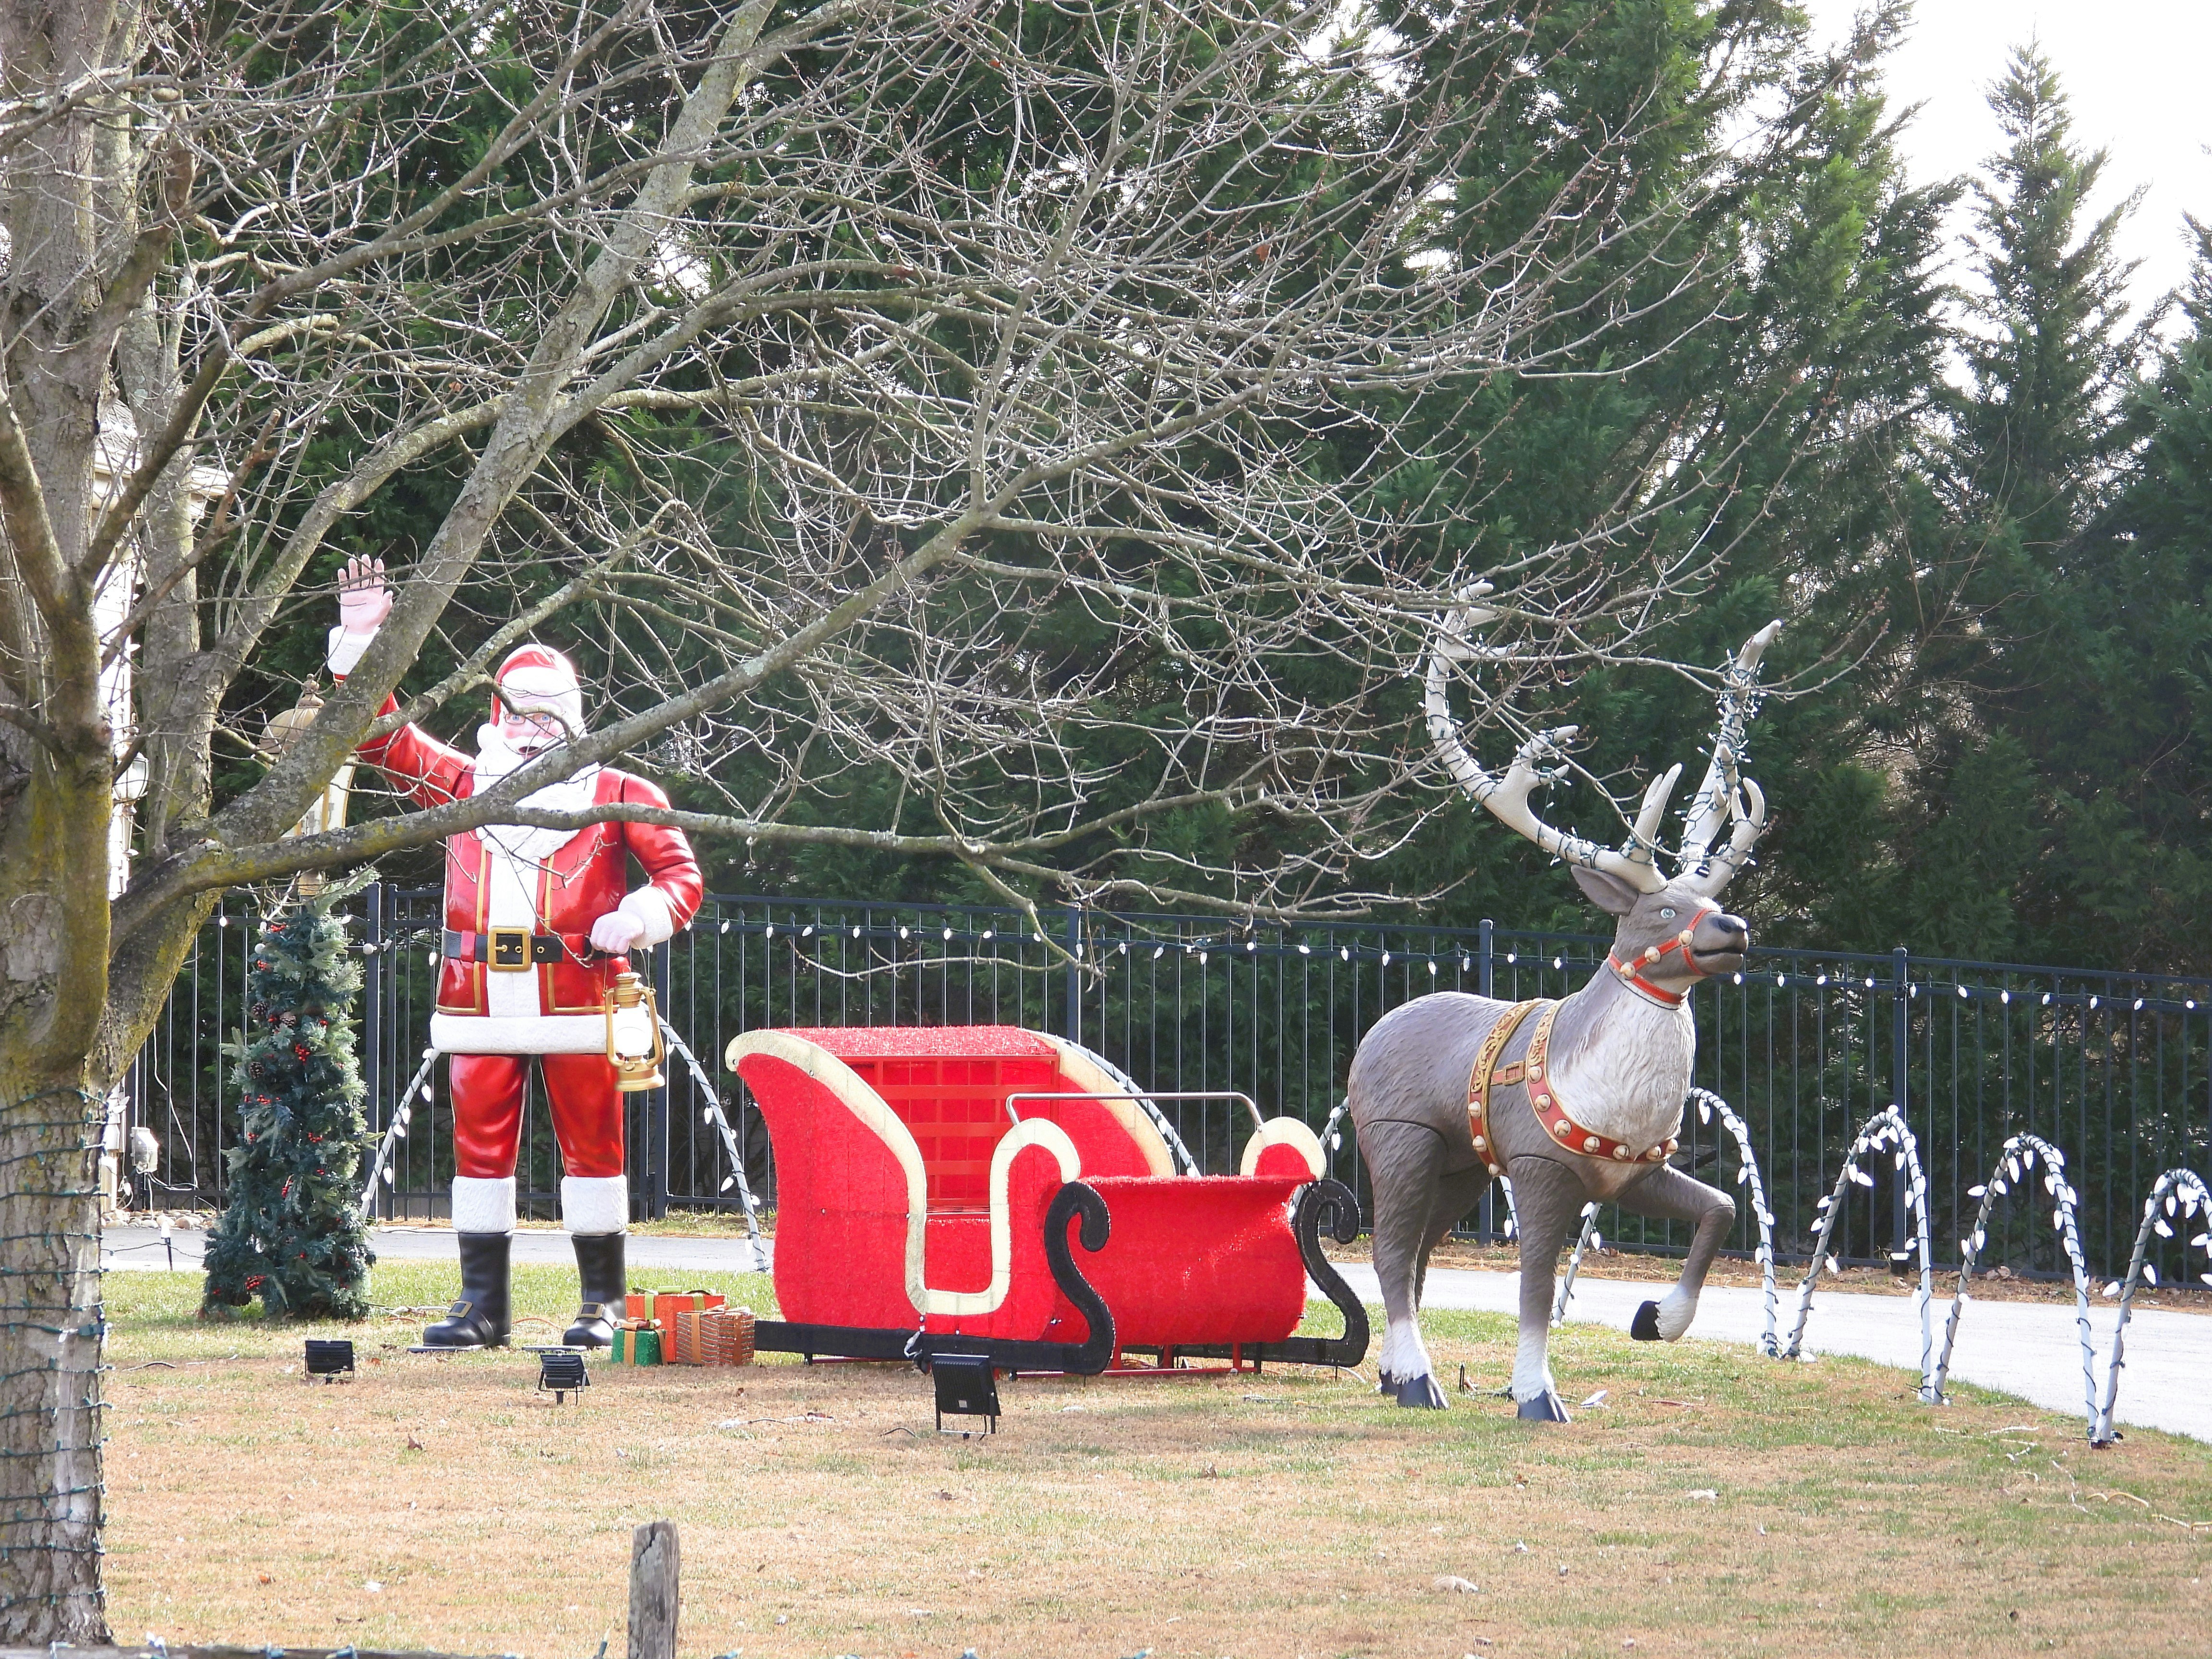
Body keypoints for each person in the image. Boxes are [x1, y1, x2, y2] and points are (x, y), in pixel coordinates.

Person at [328, 555, 702, 1348]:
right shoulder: (466, 785)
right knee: (479, 1152)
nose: (531, 729)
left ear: (573, 718)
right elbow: (382, 741)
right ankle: (482, 1306)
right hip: (478, 999)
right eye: (517, 712)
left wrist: (636, 917)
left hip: (580, 998)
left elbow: (680, 877)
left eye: (547, 715)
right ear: (496, 715)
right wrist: (363, 643)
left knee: (594, 1147)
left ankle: (602, 1302)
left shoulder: (618, 792)